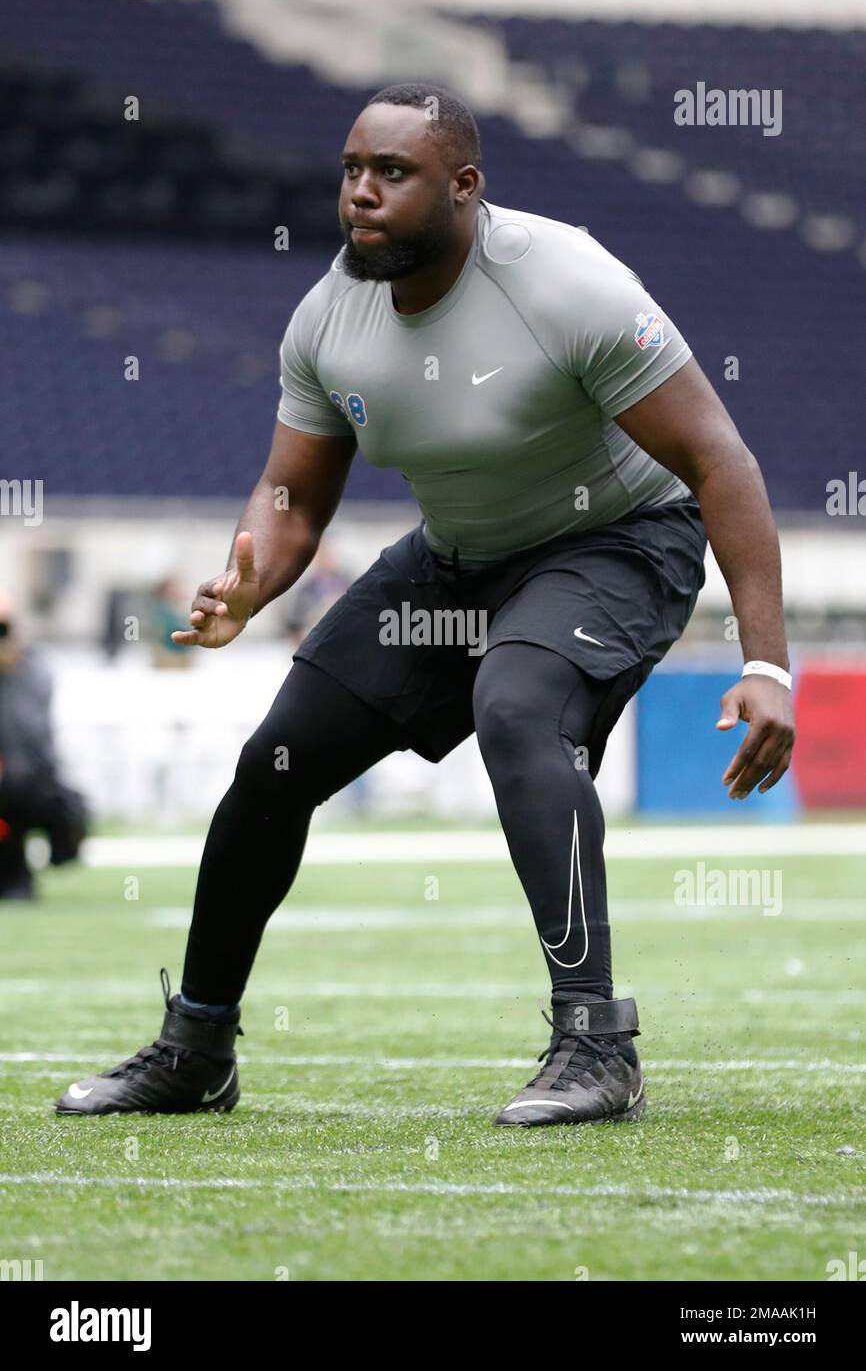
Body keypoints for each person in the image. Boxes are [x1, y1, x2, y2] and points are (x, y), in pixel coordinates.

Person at [57, 83, 794, 1124]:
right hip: (458, 559)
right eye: (352, 170)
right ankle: (196, 1048)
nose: (360, 193)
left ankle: (595, 1045)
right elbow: (292, 495)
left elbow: (719, 460)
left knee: (518, 704)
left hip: (618, 540)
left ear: (464, 186)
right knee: (276, 759)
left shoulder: (564, 281)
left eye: (390, 173)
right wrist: (248, 582)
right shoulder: (328, 316)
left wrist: (763, 663)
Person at [0, 591, 89, 900]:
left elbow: (31, 727)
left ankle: (26, 868)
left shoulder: (32, 667)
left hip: (27, 782)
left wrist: (11, 673)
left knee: (66, 807)